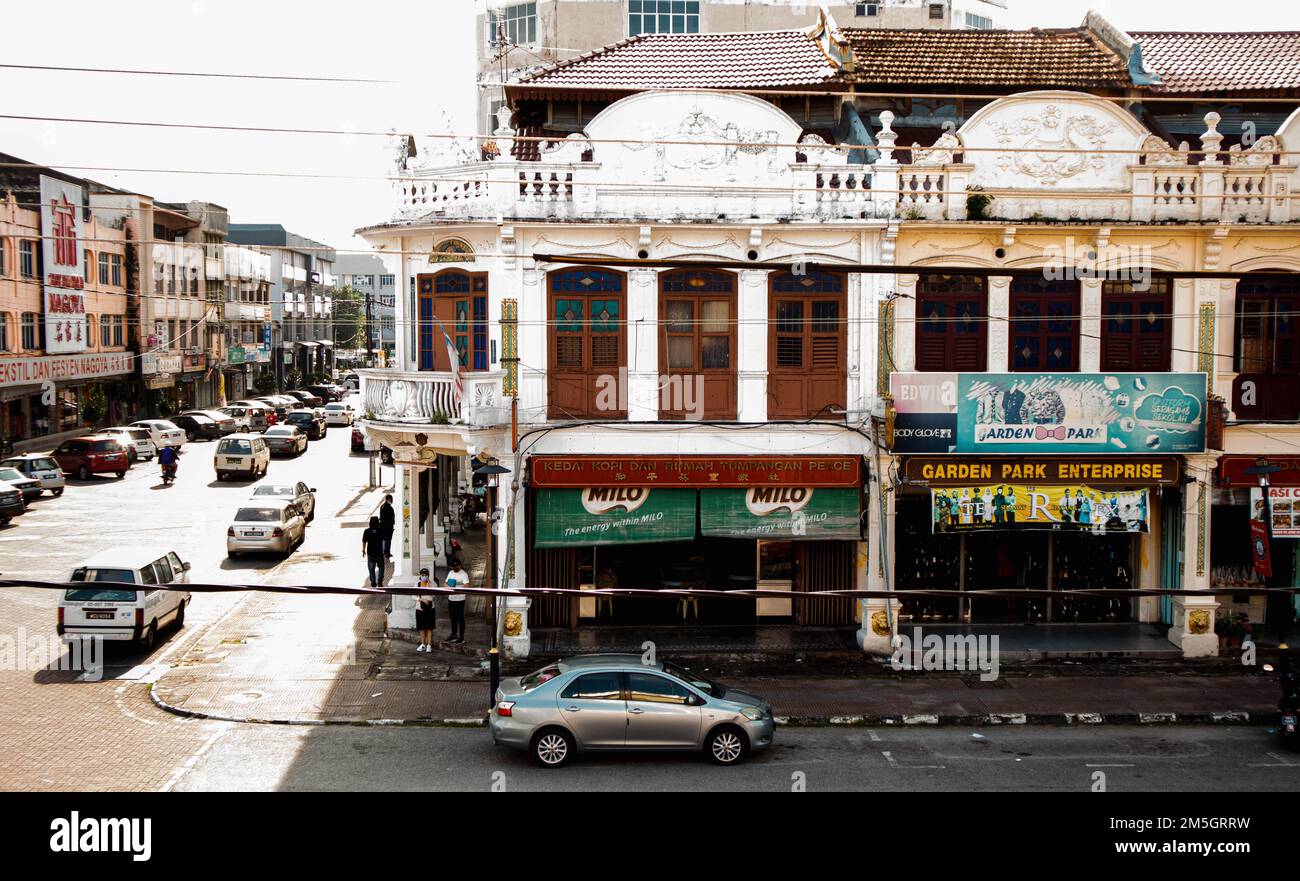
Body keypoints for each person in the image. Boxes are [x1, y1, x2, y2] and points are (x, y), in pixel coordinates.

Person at [445, 557, 470, 644]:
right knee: (453, 617)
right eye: (453, 567)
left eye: (456, 567)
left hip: (460, 599)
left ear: (460, 566)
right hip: (451, 598)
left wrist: (457, 585)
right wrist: (449, 585)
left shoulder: (464, 574)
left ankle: (462, 637)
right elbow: (445, 583)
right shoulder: (450, 573)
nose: (454, 568)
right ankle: (453, 634)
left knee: (460, 618)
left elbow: (467, 586)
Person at [415, 567, 437, 652]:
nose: (424, 576)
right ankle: (422, 644)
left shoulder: (433, 584)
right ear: (420, 576)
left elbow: (434, 595)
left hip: (430, 608)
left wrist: (429, 586)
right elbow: (413, 596)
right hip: (420, 608)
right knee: (422, 627)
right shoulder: (417, 584)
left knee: (429, 627)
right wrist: (421, 599)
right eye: (422, 575)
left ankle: (429, 645)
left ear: (428, 576)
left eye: (425, 575)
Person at [362, 516, 386, 588]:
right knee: (381, 567)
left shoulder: (367, 531)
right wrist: (384, 550)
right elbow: (384, 540)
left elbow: (364, 541)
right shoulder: (381, 530)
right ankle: (380, 581)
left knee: (371, 569)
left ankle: (373, 583)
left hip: (370, 553)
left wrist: (363, 550)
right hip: (379, 553)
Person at [379, 494, 396, 558]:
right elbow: (390, 518)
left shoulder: (382, 506)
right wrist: (391, 525)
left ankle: (385, 552)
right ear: (388, 499)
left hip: (383, 526)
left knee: (385, 540)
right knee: (388, 540)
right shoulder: (389, 507)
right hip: (388, 527)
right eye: (391, 499)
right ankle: (387, 553)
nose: (392, 501)